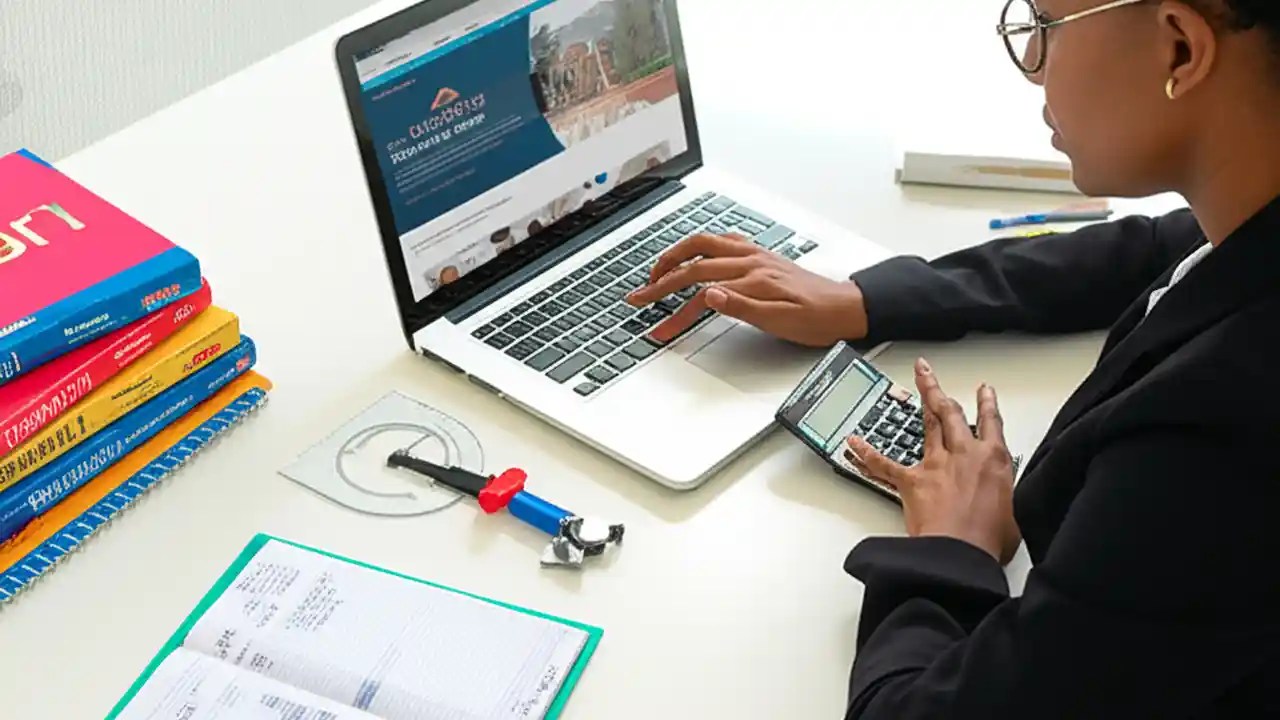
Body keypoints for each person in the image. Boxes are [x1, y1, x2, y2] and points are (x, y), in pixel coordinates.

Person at [626, 0, 1280, 716]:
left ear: (1181, 50)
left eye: (1046, 28)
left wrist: (950, 550)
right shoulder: (1250, 203)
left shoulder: (1217, 440)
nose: (1033, 69)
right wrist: (866, 300)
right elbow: (1155, 248)